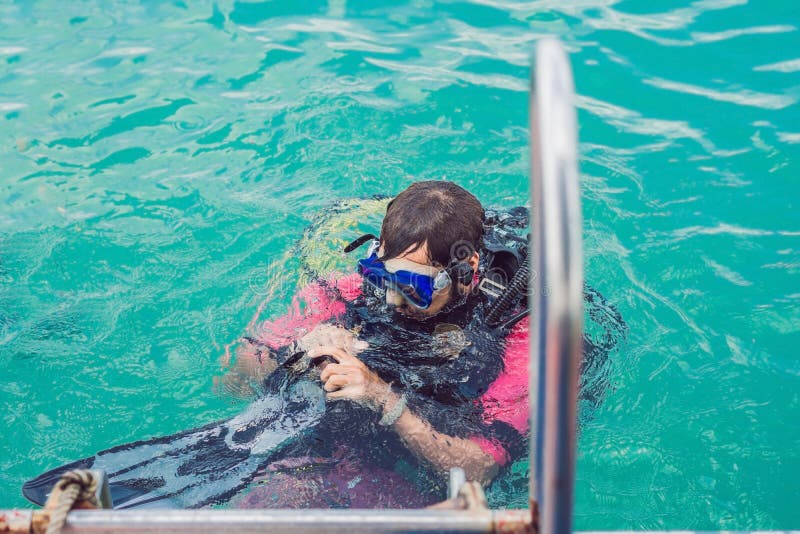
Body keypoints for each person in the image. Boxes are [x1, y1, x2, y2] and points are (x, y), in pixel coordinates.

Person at [220, 180, 616, 508]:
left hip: (426, 472)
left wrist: (382, 397)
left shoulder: (523, 336)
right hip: (335, 448)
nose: (392, 301)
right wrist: (296, 352)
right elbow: (232, 379)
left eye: (414, 289)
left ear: (466, 270)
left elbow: (479, 470)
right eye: (382, 279)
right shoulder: (350, 291)